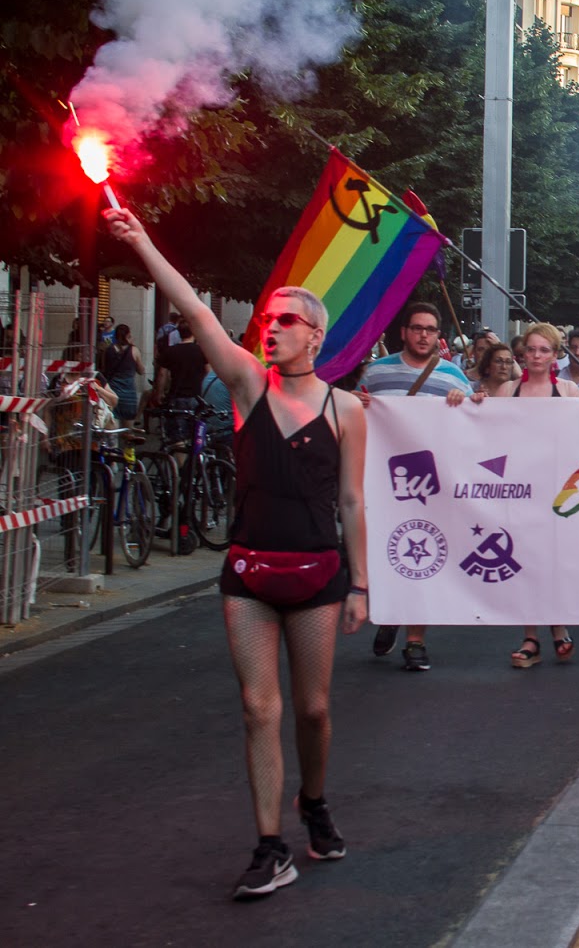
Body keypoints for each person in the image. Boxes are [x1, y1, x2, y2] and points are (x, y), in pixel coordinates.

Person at [105, 207, 368, 899]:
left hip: (317, 575)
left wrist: (362, 585)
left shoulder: (347, 410)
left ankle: (313, 803)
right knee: (260, 709)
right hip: (248, 576)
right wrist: (141, 242)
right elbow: (193, 309)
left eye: (285, 321)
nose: (270, 329)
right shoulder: (248, 386)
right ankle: (269, 846)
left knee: (311, 711)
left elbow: (350, 502)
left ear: (316, 334)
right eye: (266, 320)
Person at [454, 325, 579, 665]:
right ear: (523, 353)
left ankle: (558, 626)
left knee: (553, 562)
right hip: (518, 490)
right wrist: (471, 403)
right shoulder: (508, 390)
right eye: (532, 349)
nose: (537, 356)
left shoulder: (569, 390)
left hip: (556, 492)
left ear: (555, 355)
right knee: (524, 562)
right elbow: (483, 432)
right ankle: (530, 638)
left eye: (544, 350)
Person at [361, 303, 472, 671]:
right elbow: (355, 417)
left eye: (430, 329)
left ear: (438, 335)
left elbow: (475, 424)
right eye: (417, 328)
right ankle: (391, 612)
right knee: (384, 554)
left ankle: (415, 640)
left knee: (422, 555)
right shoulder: (376, 373)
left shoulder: (453, 375)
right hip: (383, 483)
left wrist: (466, 401)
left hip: (430, 484)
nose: (424, 335)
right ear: (404, 332)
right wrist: (358, 404)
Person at [154, 316, 209, 444]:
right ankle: (196, 461)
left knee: (179, 436)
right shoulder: (201, 351)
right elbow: (209, 373)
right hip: (197, 396)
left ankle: (180, 462)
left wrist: (159, 393)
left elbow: (162, 374)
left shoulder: (170, 352)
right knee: (197, 433)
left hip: (177, 395)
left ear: (178, 332)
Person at [99, 323, 144, 426]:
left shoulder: (108, 350)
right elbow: (141, 371)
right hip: (128, 391)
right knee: (128, 428)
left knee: (113, 424)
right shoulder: (134, 350)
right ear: (128, 335)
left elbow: (104, 369)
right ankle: (128, 437)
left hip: (112, 390)